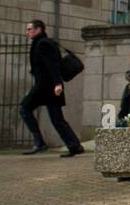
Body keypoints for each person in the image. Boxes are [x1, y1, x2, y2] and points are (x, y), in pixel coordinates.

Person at [19, 19, 84, 156]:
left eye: (29, 29)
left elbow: (52, 64)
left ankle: (40, 143)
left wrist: (58, 83)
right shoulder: (41, 42)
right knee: (57, 119)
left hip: (47, 87)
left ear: (38, 30)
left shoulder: (43, 44)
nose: (27, 32)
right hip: (48, 86)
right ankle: (74, 146)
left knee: (25, 108)